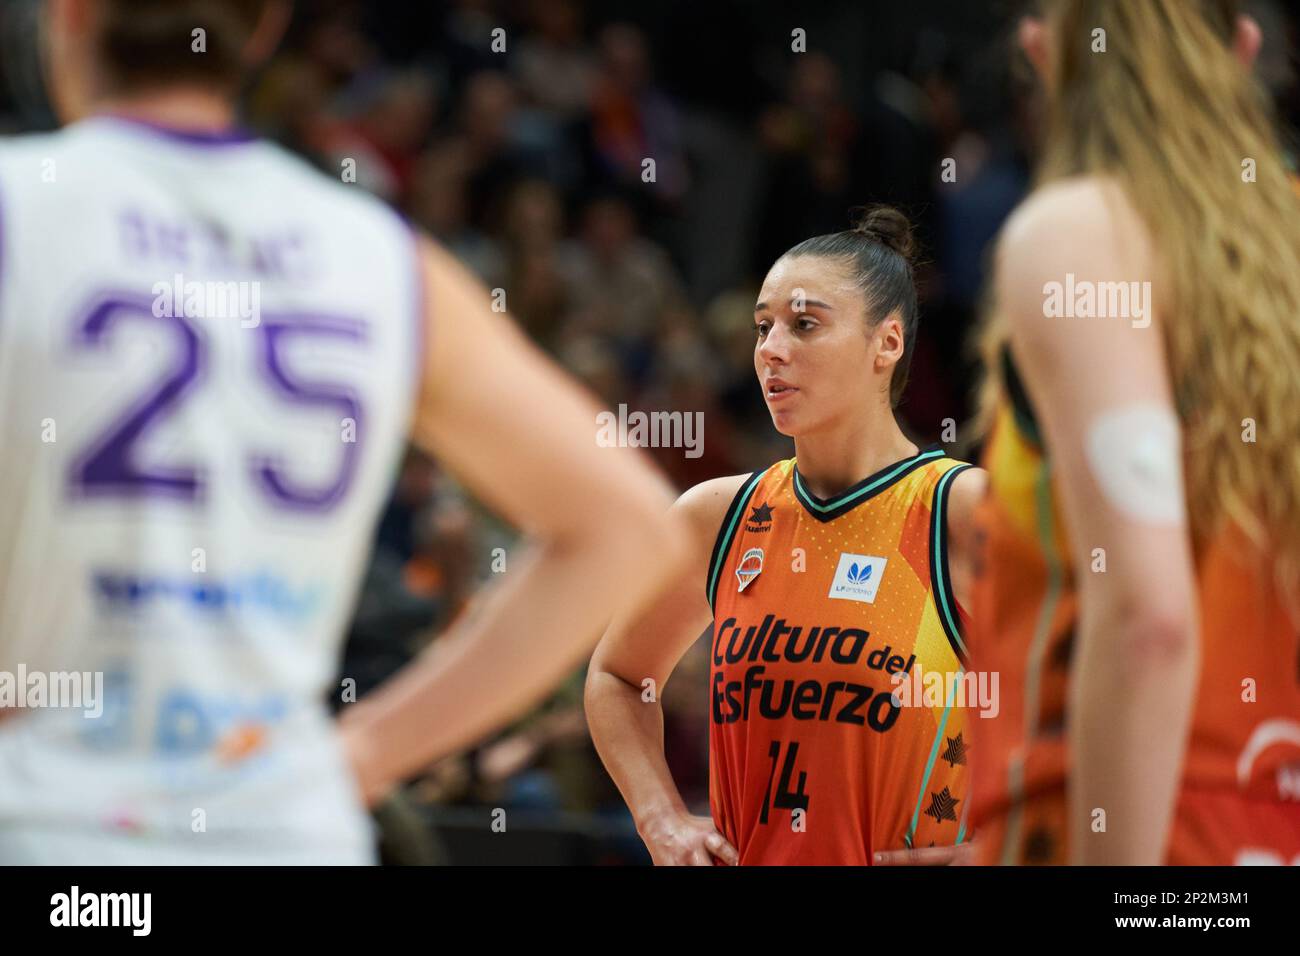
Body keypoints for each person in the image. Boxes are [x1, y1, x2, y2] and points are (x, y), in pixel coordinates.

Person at [0, 0, 688, 864]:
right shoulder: (380, 256)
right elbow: (626, 524)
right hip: (283, 832)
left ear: (69, 14)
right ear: (264, 28)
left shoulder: (21, 203)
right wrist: (363, 755)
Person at [970, 0, 1300, 865]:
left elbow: (1148, 620)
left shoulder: (1082, 233)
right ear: (1242, 49)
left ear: (1043, 55)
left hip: (1135, 833)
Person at [587, 206, 987, 865]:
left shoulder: (956, 509)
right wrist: (659, 820)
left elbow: (1109, 702)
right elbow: (618, 676)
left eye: (805, 325)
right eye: (763, 326)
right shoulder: (718, 515)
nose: (771, 348)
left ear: (886, 344)